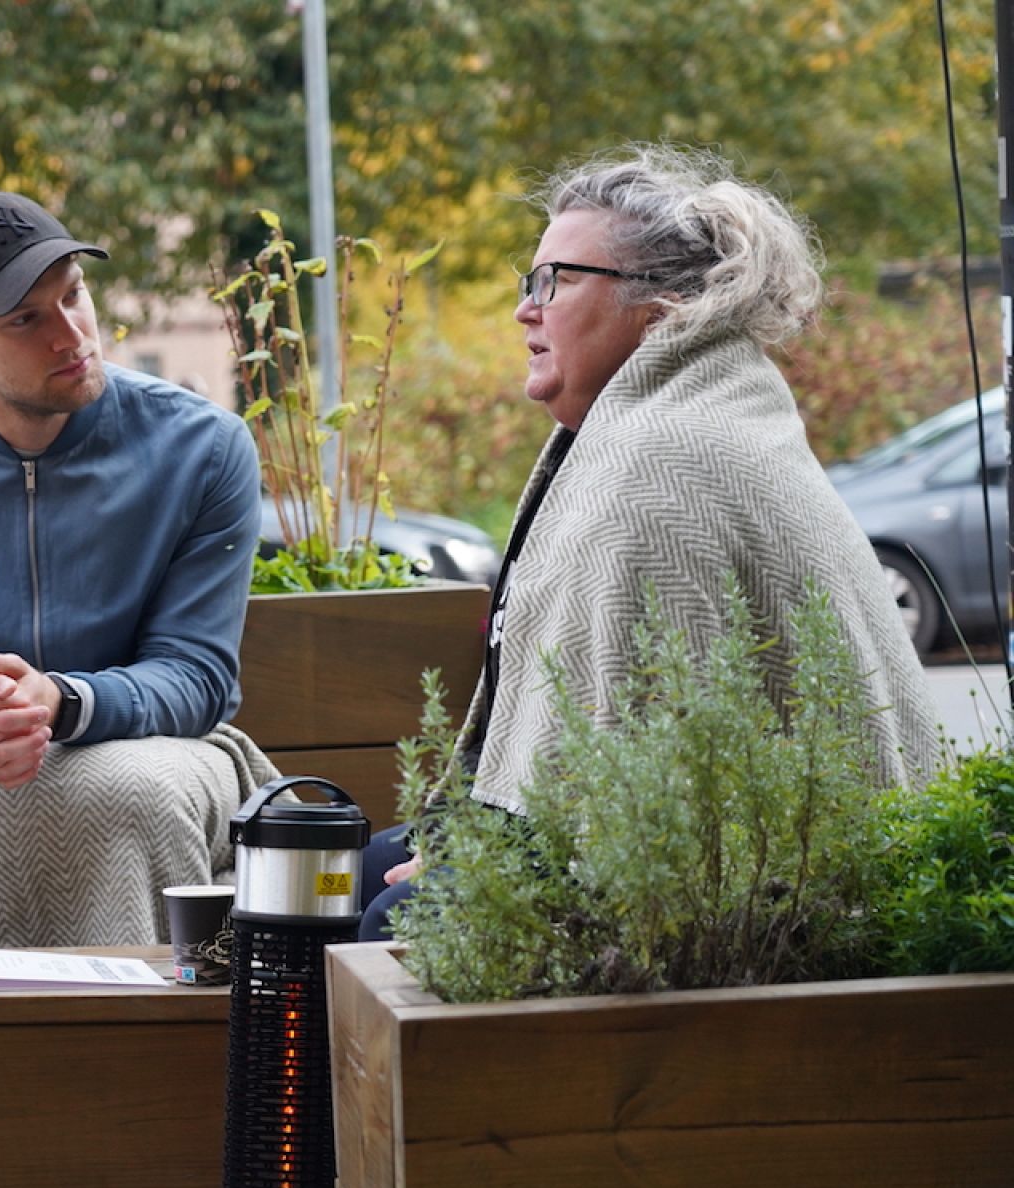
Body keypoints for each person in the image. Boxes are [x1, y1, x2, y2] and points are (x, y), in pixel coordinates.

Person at [358, 144, 944, 940]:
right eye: (529, 283)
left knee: (388, 920)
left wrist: (479, 852)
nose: (526, 309)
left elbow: (647, 781)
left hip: (766, 892)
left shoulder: (662, 460)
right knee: (353, 866)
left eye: (554, 281)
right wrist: (470, 836)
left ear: (660, 307)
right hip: (674, 832)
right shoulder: (689, 412)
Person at [0, 191, 273, 1114]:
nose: (71, 332)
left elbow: (198, 675)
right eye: (26, 319)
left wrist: (63, 702)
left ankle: (148, 1115)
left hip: (160, 743)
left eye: (73, 294)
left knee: (126, 793)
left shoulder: (203, 447)